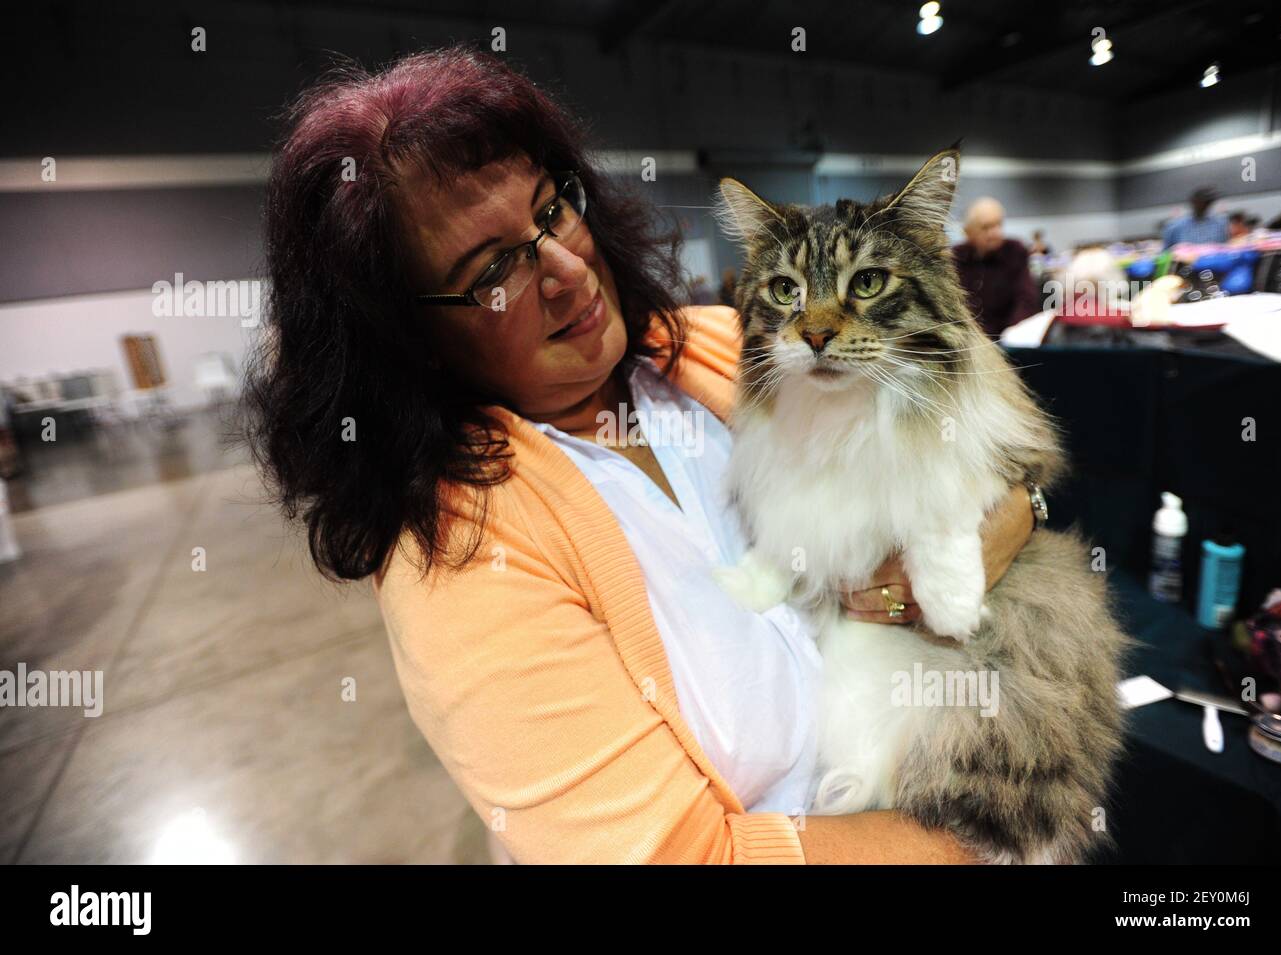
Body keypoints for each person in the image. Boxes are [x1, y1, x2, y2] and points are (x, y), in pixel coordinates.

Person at [245, 45, 1037, 865]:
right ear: (410, 342)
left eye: (552, 210)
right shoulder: (460, 557)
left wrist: (1015, 515)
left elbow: (986, 445)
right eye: (493, 271)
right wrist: (987, 843)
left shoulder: (723, 348)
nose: (564, 268)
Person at [951, 197, 1041, 338]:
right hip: (966, 340)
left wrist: (1012, 334)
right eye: (986, 227)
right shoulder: (955, 256)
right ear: (968, 232)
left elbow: (1026, 299)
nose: (995, 233)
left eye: (998, 225)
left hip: (1005, 338)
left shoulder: (1015, 251)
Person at [1161, 186, 1229, 247]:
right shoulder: (1175, 227)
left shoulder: (1220, 224)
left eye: (1207, 202)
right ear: (1193, 202)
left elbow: (1224, 247)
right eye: (1201, 202)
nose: (1203, 205)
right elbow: (1167, 251)